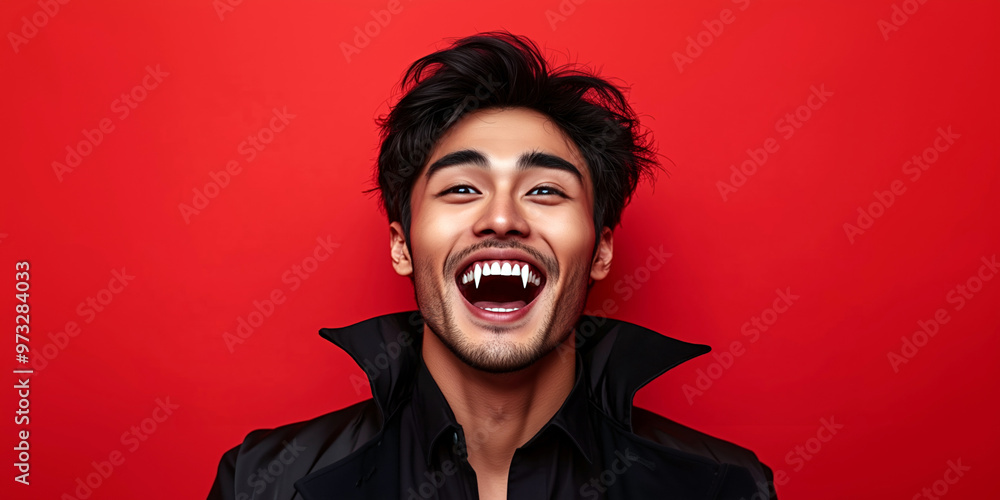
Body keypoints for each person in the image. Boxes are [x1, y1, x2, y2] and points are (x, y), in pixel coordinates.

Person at [208, 31, 776, 500]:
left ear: (601, 251)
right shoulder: (265, 485)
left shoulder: (721, 488)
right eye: (460, 188)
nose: (502, 217)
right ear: (401, 246)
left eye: (546, 191)